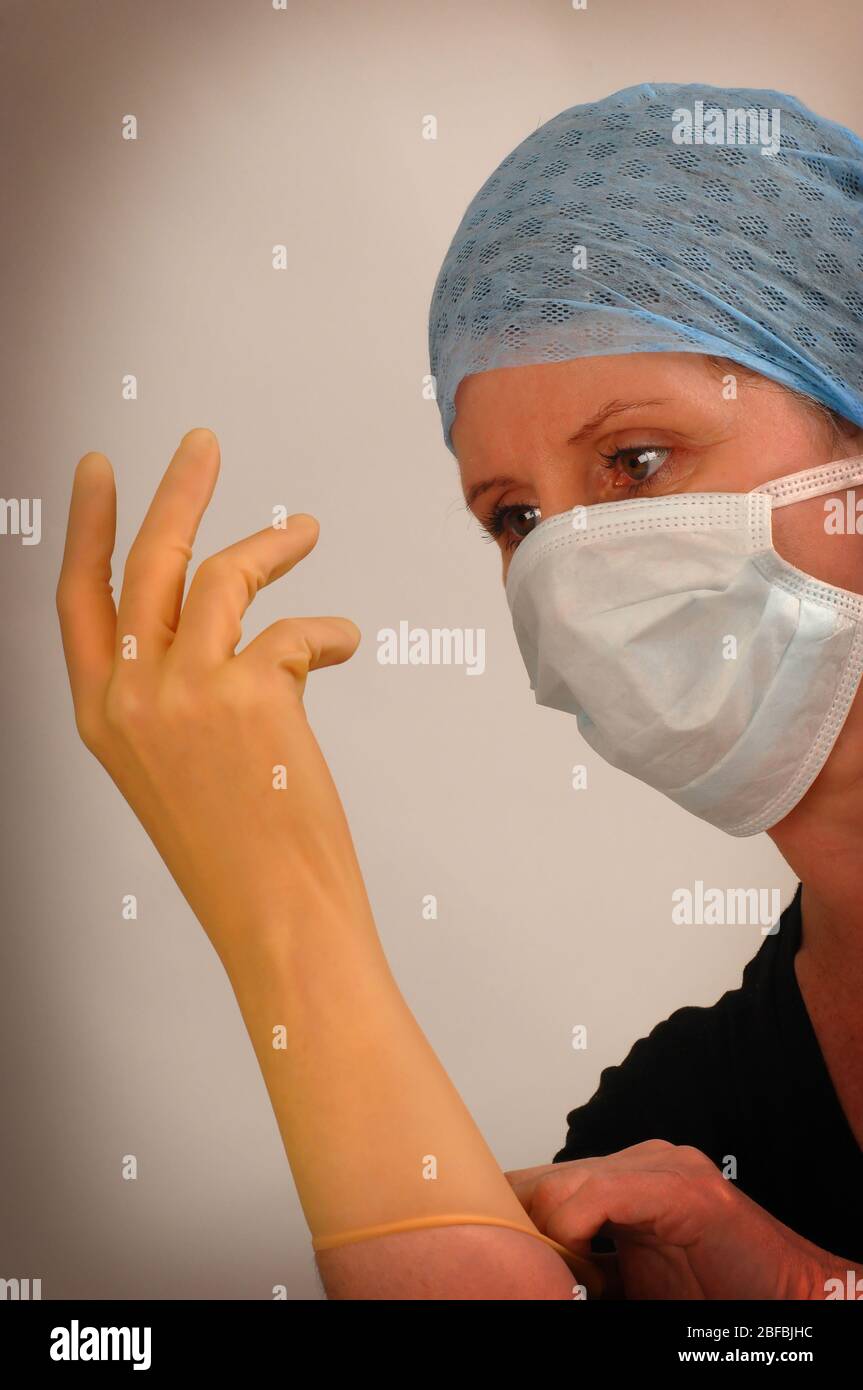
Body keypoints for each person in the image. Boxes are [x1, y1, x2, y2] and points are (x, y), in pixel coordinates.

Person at [57, 82, 863, 1300]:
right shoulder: (681, 1134)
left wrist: (810, 1295)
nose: (573, 570)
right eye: (516, 518)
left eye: (636, 460)